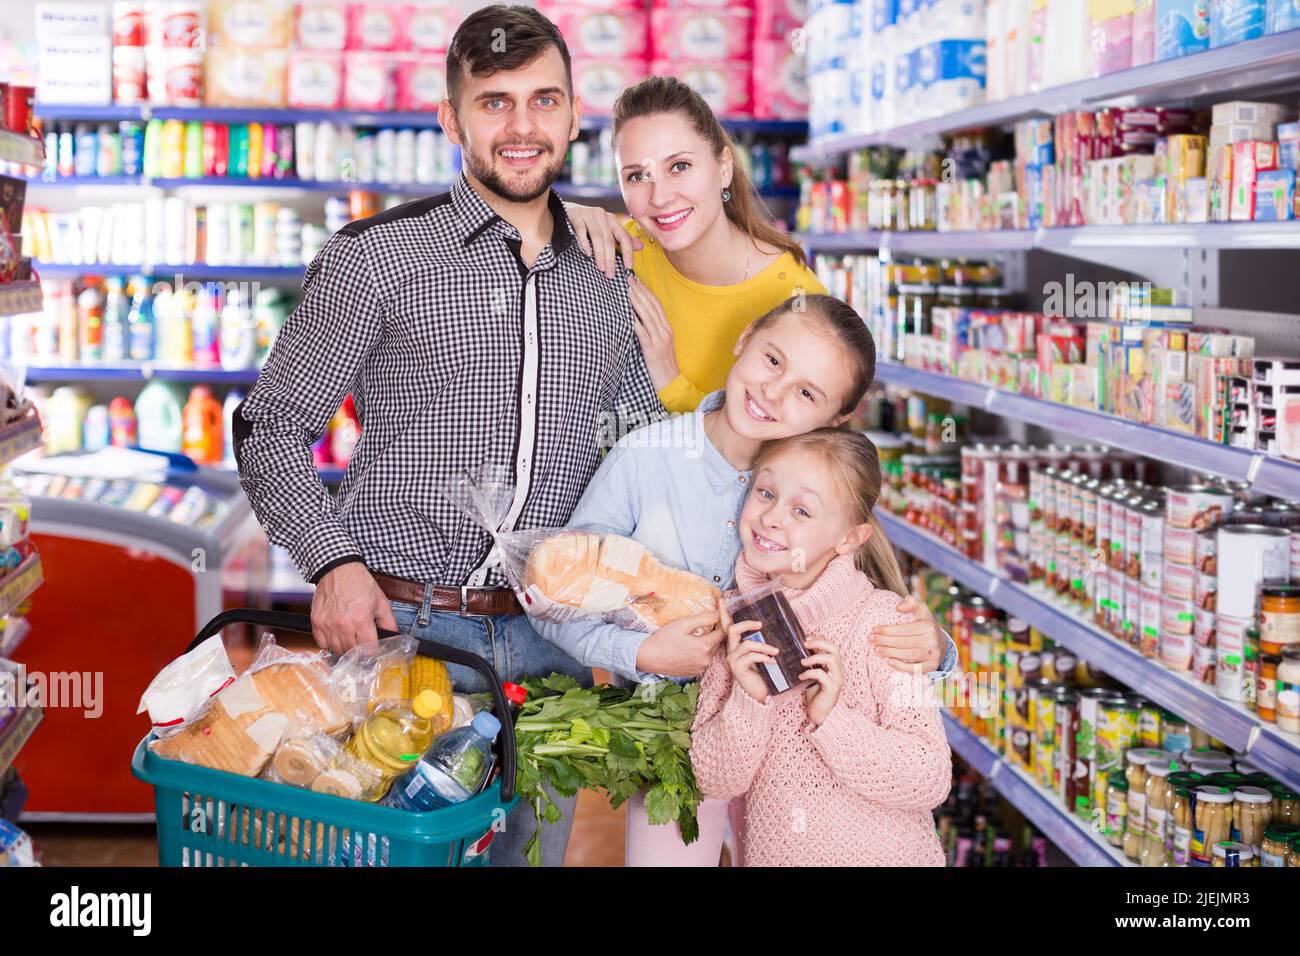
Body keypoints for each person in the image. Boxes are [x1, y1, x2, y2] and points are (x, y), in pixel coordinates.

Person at [232, 4, 663, 867]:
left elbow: (639, 456)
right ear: (450, 118)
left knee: (528, 862)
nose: (521, 126)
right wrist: (333, 566)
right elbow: (270, 425)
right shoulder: (377, 256)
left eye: (543, 101)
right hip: (402, 632)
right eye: (494, 102)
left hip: (554, 649)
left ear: (574, 115)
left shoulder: (609, 273)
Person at [531, 293, 956, 864]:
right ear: (746, 337)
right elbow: (556, 598)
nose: (773, 393)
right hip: (679, 740)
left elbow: (869, 598)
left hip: (805, 773)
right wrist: (643, 651)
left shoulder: (822, 485)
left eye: (807, 393)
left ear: (834, 420)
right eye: (773, 360)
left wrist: (937, 647)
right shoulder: (646, 458)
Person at [692, 428, 952, 866]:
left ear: (849, 538)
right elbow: (714, 778)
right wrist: (749, 699)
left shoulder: (883, 623)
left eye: (801, 510)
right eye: (766, 492)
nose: (772, 517)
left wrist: (833, 721)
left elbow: (930, 776)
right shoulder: (738, 627)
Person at [564, 75, 828, 414]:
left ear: (724, 168)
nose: (659, 197)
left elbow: (794, 448)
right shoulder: (619, 246)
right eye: (637, 176)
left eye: (680, 166)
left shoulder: (796, 300)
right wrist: (561, 211)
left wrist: (672, 384)